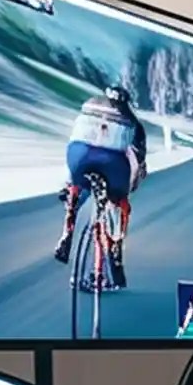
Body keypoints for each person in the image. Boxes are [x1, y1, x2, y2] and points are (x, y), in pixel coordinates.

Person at [54, 84, 148, 289]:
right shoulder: (133, 122)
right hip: (114, 166)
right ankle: (105, 263)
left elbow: (73, 138)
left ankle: (68, 223)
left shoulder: (91, 105)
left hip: (79, 156)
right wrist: (131, 185)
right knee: (116, 204)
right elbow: (138, 159)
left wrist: (69, 179)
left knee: (75, 186)